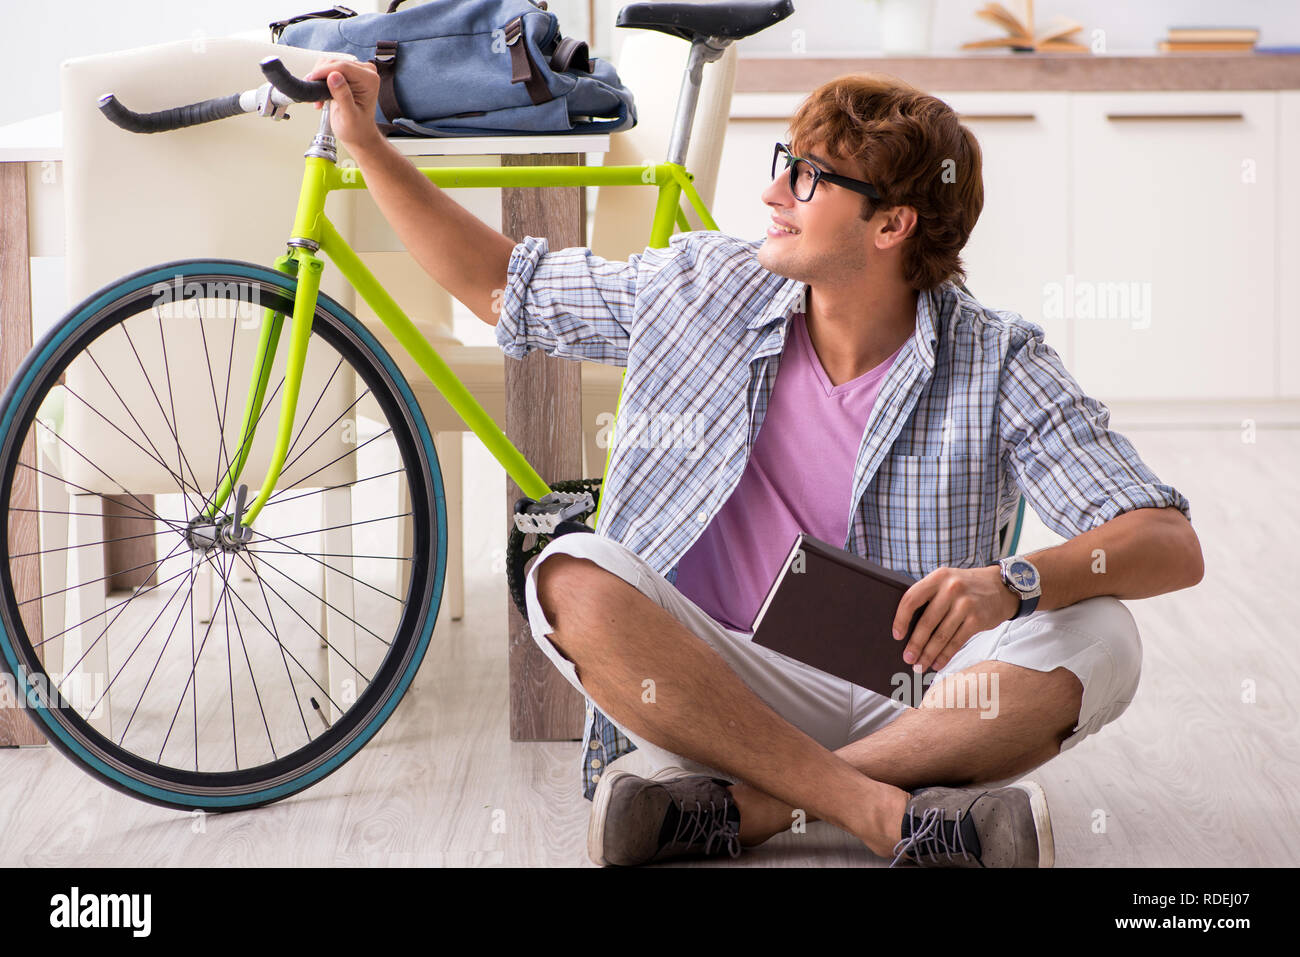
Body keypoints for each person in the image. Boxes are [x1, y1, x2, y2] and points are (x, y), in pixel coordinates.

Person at [307, 59, 1203, 868]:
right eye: (786, 159)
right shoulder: (706, 287)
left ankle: (749, 810)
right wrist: (367, 144)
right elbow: (512, 289)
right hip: (712, 693)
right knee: (567, 571)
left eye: (809, 177)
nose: (775, 190)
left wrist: (1013, 580)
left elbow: (1168, 541)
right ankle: (884, 815)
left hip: (918, 707)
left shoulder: (999, 357)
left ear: (892, 221)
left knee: (1105, 636)